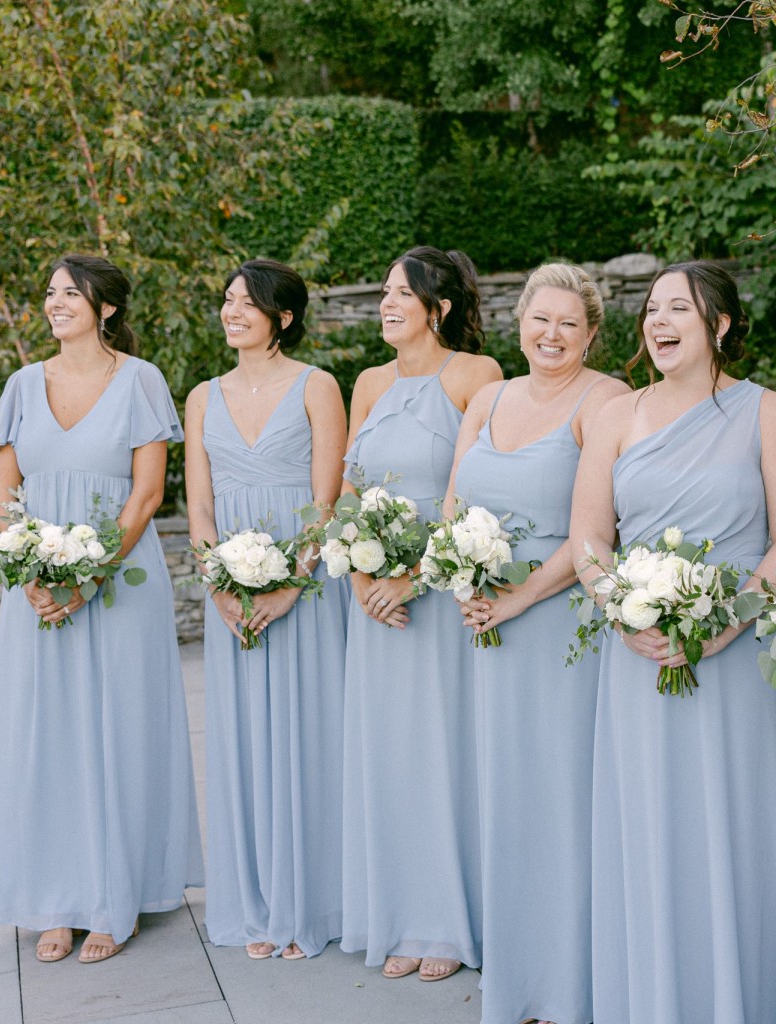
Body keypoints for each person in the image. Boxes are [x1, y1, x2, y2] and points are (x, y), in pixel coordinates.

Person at [571, 260, 776, 1024]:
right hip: (638, 661)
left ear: (721, 324)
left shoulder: (768, 411)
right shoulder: (617, 415)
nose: (659, 321)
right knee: (655, 833)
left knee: (741, 835)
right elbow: (588, 538)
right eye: (652, 308)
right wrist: (624, 611)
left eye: (678, 307)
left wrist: (726, 622)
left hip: (739, 662)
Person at [0, 254, 202, 965]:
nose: (56, 303)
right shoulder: (22, 385)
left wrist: (91, 575)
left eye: (70, 293)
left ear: (105, 308)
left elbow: (147, 494)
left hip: (119, 584)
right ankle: (56, 899)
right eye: (50, 293)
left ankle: (113, 898)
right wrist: (30, 570)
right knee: (46, 735)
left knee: (119, 728)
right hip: (37, 591)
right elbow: (7, 494)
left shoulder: (141, 380)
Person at [444, 263, 628, 1024]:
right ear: (518, 321)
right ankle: (518, 977)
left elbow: (598, 532)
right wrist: (459, 574)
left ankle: (571, 985)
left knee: (563, 798)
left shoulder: (606, 399)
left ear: (590, 334)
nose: (551, 335)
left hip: (561, 626)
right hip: (489, 626)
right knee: (507, 797)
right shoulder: (488, 398)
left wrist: (517, 599)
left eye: (568, 324)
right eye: (539, 319)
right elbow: (454, 503)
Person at [340, 246, 502, 982]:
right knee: (391, 757)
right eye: (385, 291)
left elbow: (472, 490)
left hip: (439, 596)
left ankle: (448, 923)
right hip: (374, 602)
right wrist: (360, 575)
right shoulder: (368, 383)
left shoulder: (476, 375)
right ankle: (401, 917)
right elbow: (349, 489)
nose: (387, 303)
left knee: (444, 752)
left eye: (403, 293)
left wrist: (413, 578)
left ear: (439, 308)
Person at [184, 259, 350, 960]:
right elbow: (199, 506)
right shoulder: (201, 397)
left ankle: (312, 901)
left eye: (247, 304)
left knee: (312, 735)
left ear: (282, 317)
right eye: (227, 300)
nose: (231, 312)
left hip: (304, 591)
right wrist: (219, 585)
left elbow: (326, 503)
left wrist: (290, 586)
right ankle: (255, 901)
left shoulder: (317, 386)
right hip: (231, 598)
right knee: (245, 741)